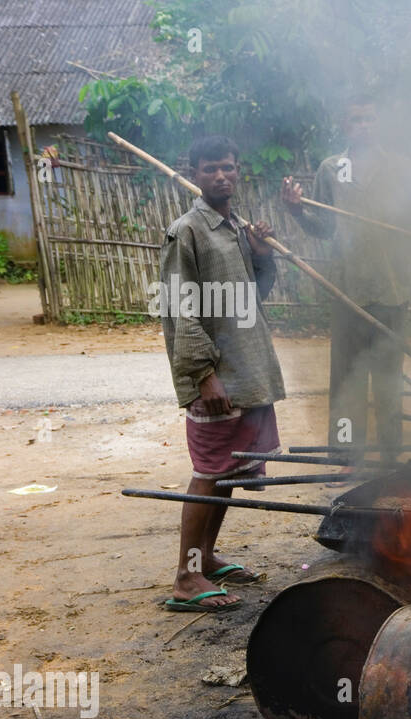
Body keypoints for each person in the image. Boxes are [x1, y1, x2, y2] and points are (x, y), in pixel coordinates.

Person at [281, 97, 411, 466]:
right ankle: (345, 454)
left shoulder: (402, 169)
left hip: (393, 288)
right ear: (345, 126)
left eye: (370, 119)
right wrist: (297, 211)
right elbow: (324, 228)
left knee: (390, 377)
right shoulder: (331, 169)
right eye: (356, 120)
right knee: (346, 379)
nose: (364, 125)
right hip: (347, 290)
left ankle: (392, 455)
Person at [158, 135, 285, 612]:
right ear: (193, 173)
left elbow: (256, 295)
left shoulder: (237, 228)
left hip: (248, 372)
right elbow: (178, 308)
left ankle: (206, 557)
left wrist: (262, 253)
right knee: (209, 473)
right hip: (216, 377)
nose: (221, 176)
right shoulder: (187, 231)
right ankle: (187, 576)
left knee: (229, 472)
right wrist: (203, 374)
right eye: (211, 168)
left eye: (228, 167)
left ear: (238, 170)